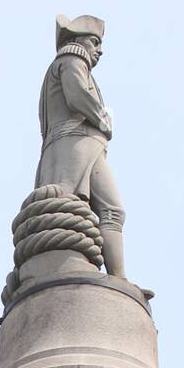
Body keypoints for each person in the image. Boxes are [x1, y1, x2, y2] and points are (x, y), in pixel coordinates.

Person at [35, 14, 127, 279]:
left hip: (85, 145)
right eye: (94, 42)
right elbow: (78, 97)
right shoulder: (71, 61)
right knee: (65, 204)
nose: (99, 50)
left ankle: (119, 278)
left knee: (112, 210)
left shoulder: (72, 63)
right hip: (71, 146)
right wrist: (102, 118)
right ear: (78, 40)